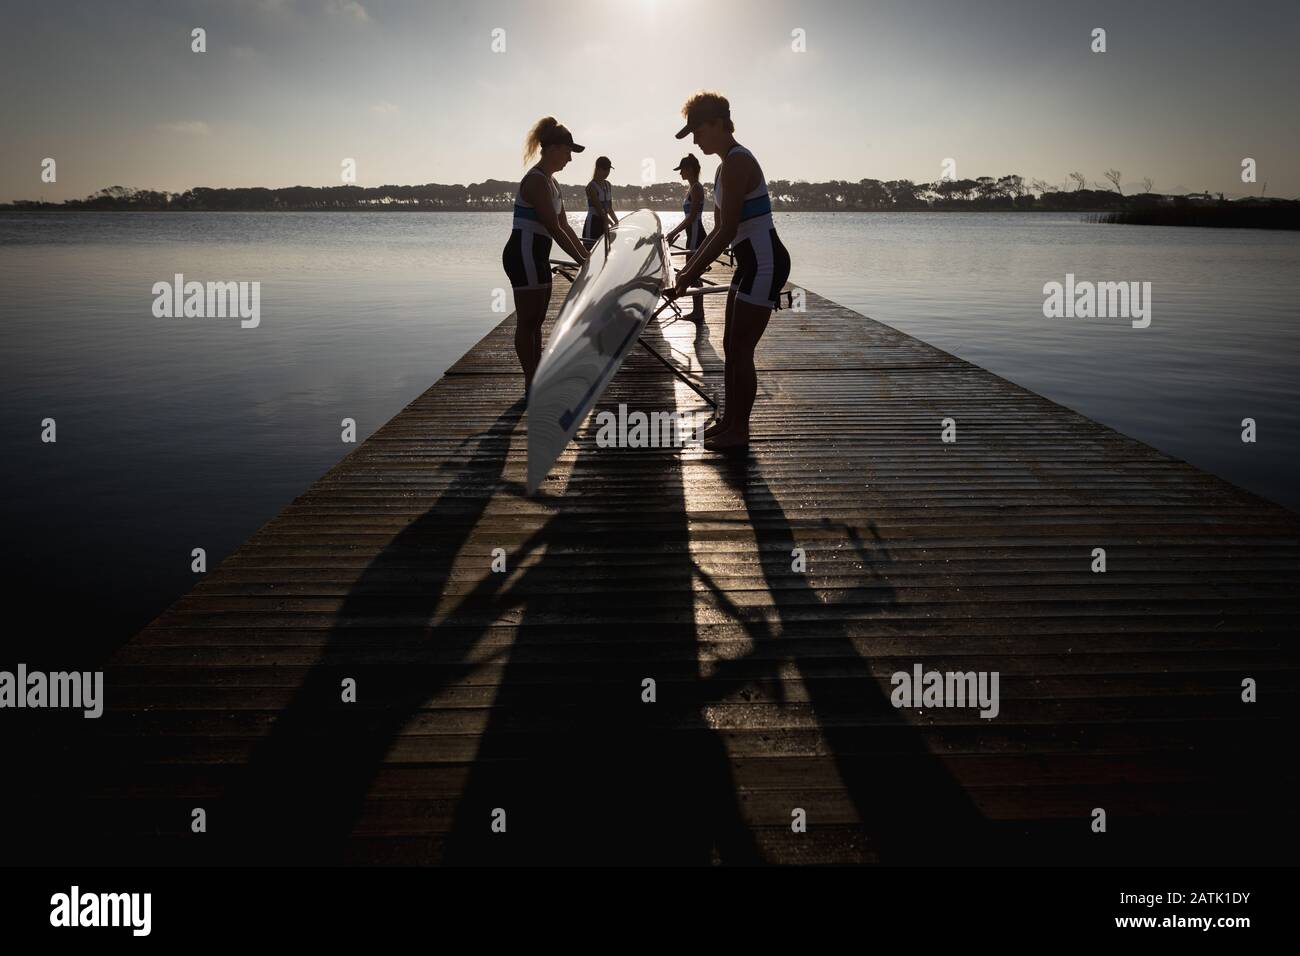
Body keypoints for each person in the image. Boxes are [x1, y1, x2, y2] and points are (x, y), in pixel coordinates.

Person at [669, 92, 791, 449]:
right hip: (749, 263)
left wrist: (689, 275)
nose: (694, 139)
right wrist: (688, 269)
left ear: (719, 124)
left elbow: (724, 232)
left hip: (765, 263)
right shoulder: (722, 169)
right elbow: (720, 229)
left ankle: (740, 430)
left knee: (741, 349)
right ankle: (729, 421)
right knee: (729, 345)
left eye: (697, 130)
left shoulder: (739, 162)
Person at [502, 117, 590, 395]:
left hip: (538, 255)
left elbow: (565, 227)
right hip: (522, 254)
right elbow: (553, 227)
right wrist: (583, 262)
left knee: (538, 320)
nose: (570, 159)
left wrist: (588, 257)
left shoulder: (553, 184)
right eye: (568, 152)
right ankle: (530, 382)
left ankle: (536, 376)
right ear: (552, 149)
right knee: (527, 321)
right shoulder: (536, 181)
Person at [664, 154, 706, 322]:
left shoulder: (696, 187)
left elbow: (692, 217)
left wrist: (673, 232)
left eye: (681, 169)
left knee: (693, 273)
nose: (680, 173)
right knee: (692, 273)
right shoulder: (691, 188)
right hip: (692, 235)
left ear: (689, 169)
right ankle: (698, 311)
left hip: (696, 234)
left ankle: (698, 312)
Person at [582, 156, 618, 245]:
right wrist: (611, 223)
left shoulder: (608, 185)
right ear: (598, 169)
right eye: (605, 169)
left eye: (608, 170)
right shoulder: (591, 187)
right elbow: (599, 210)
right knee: (590, 249)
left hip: (604, 222)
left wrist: (617, 222)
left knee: (605, 250)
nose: (607, 172)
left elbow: (609, 208)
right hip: (593, 222)